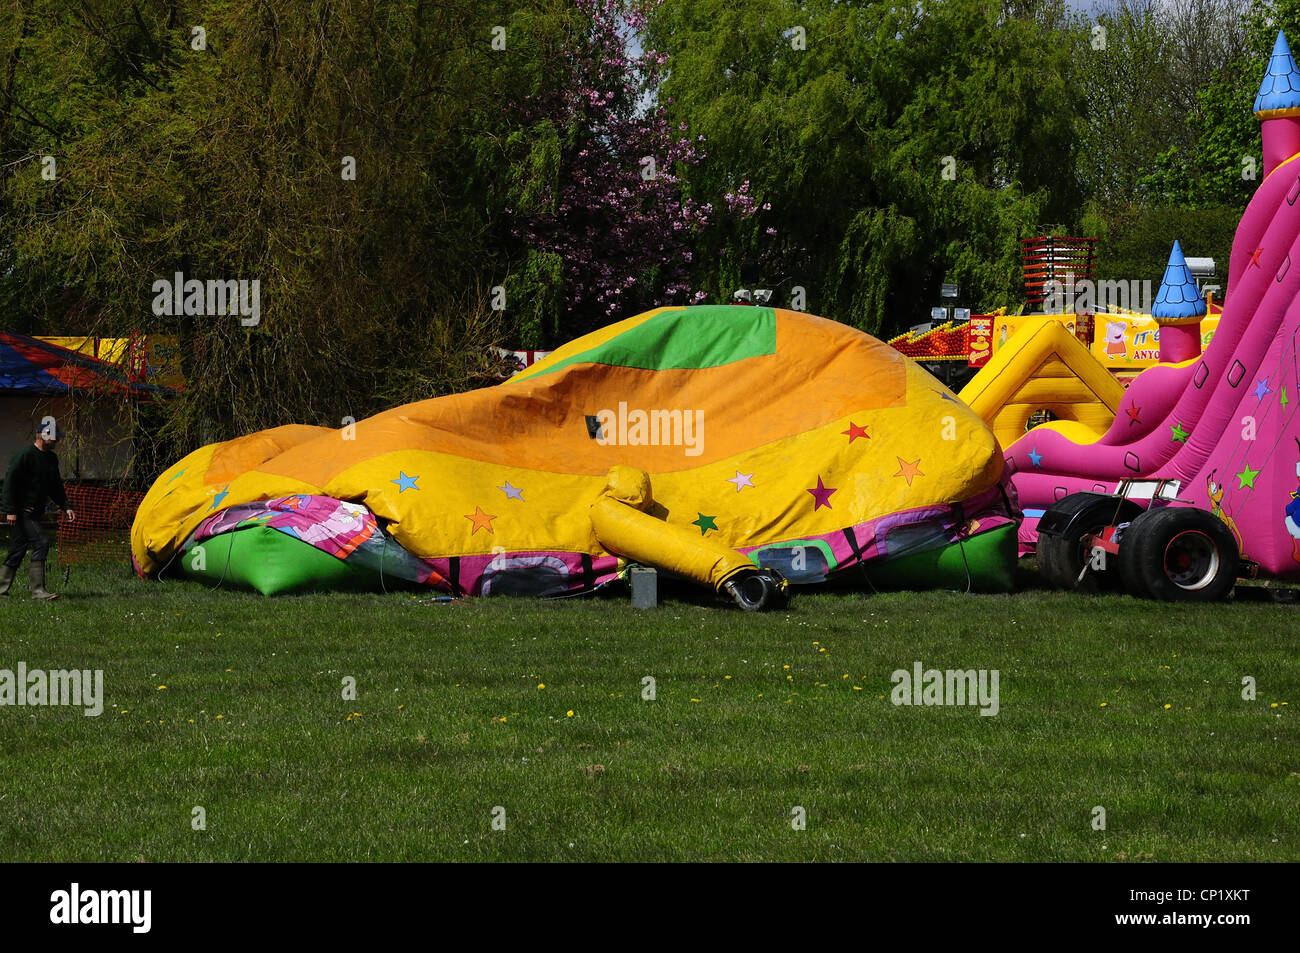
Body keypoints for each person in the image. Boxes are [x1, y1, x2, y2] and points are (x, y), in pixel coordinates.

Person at [1, 421, 75, 600]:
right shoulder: (25, 455)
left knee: (18, 548)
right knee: (41, 541)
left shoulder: (51, 458)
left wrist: (65, 506)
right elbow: (10, 482)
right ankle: (38, 591)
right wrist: (10, 509)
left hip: (35, 511)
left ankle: (1, 589)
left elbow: (55, 486)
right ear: (43, 436)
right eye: (54, 437)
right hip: (21, 511)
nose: (57, 440)